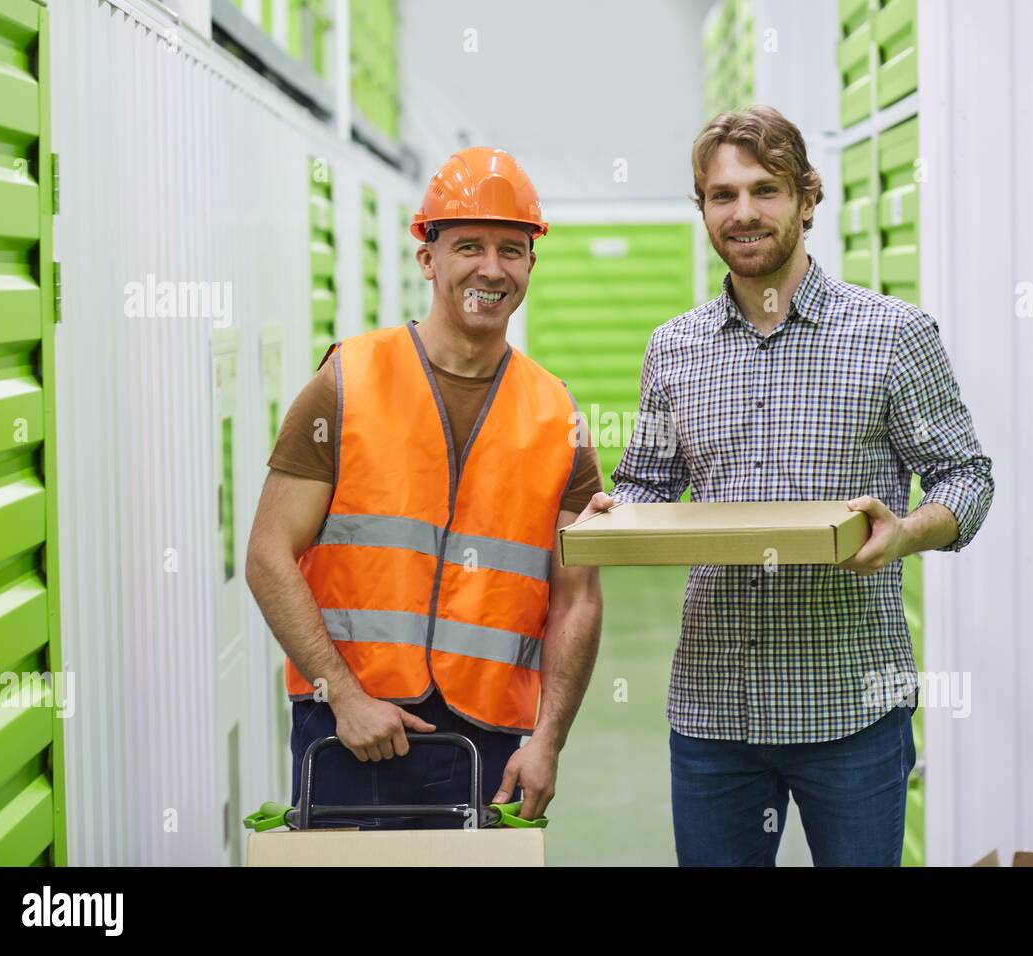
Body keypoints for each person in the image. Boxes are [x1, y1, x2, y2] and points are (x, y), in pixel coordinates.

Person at [583, 106, 994, 865]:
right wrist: (619, 513)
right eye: (722, 195)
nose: (743, 213)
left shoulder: (892, 334)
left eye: (765, 190)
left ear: (808, 197)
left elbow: (966, 476)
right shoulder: (672, 349)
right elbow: (647, 479)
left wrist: (907, 532)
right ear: (702, 208)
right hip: (713, 710)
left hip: (850, 706)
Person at [246, 147, 604, 828]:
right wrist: (344, 698)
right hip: (349, 734)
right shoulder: (346, 383)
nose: (490, 269)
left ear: (531, 263)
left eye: (511, 249)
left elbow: (578, 597)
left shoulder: (558, 415)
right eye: (468, 245)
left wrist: (549, 742)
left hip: (488, 744)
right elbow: (267, 555)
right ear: (427, 257)